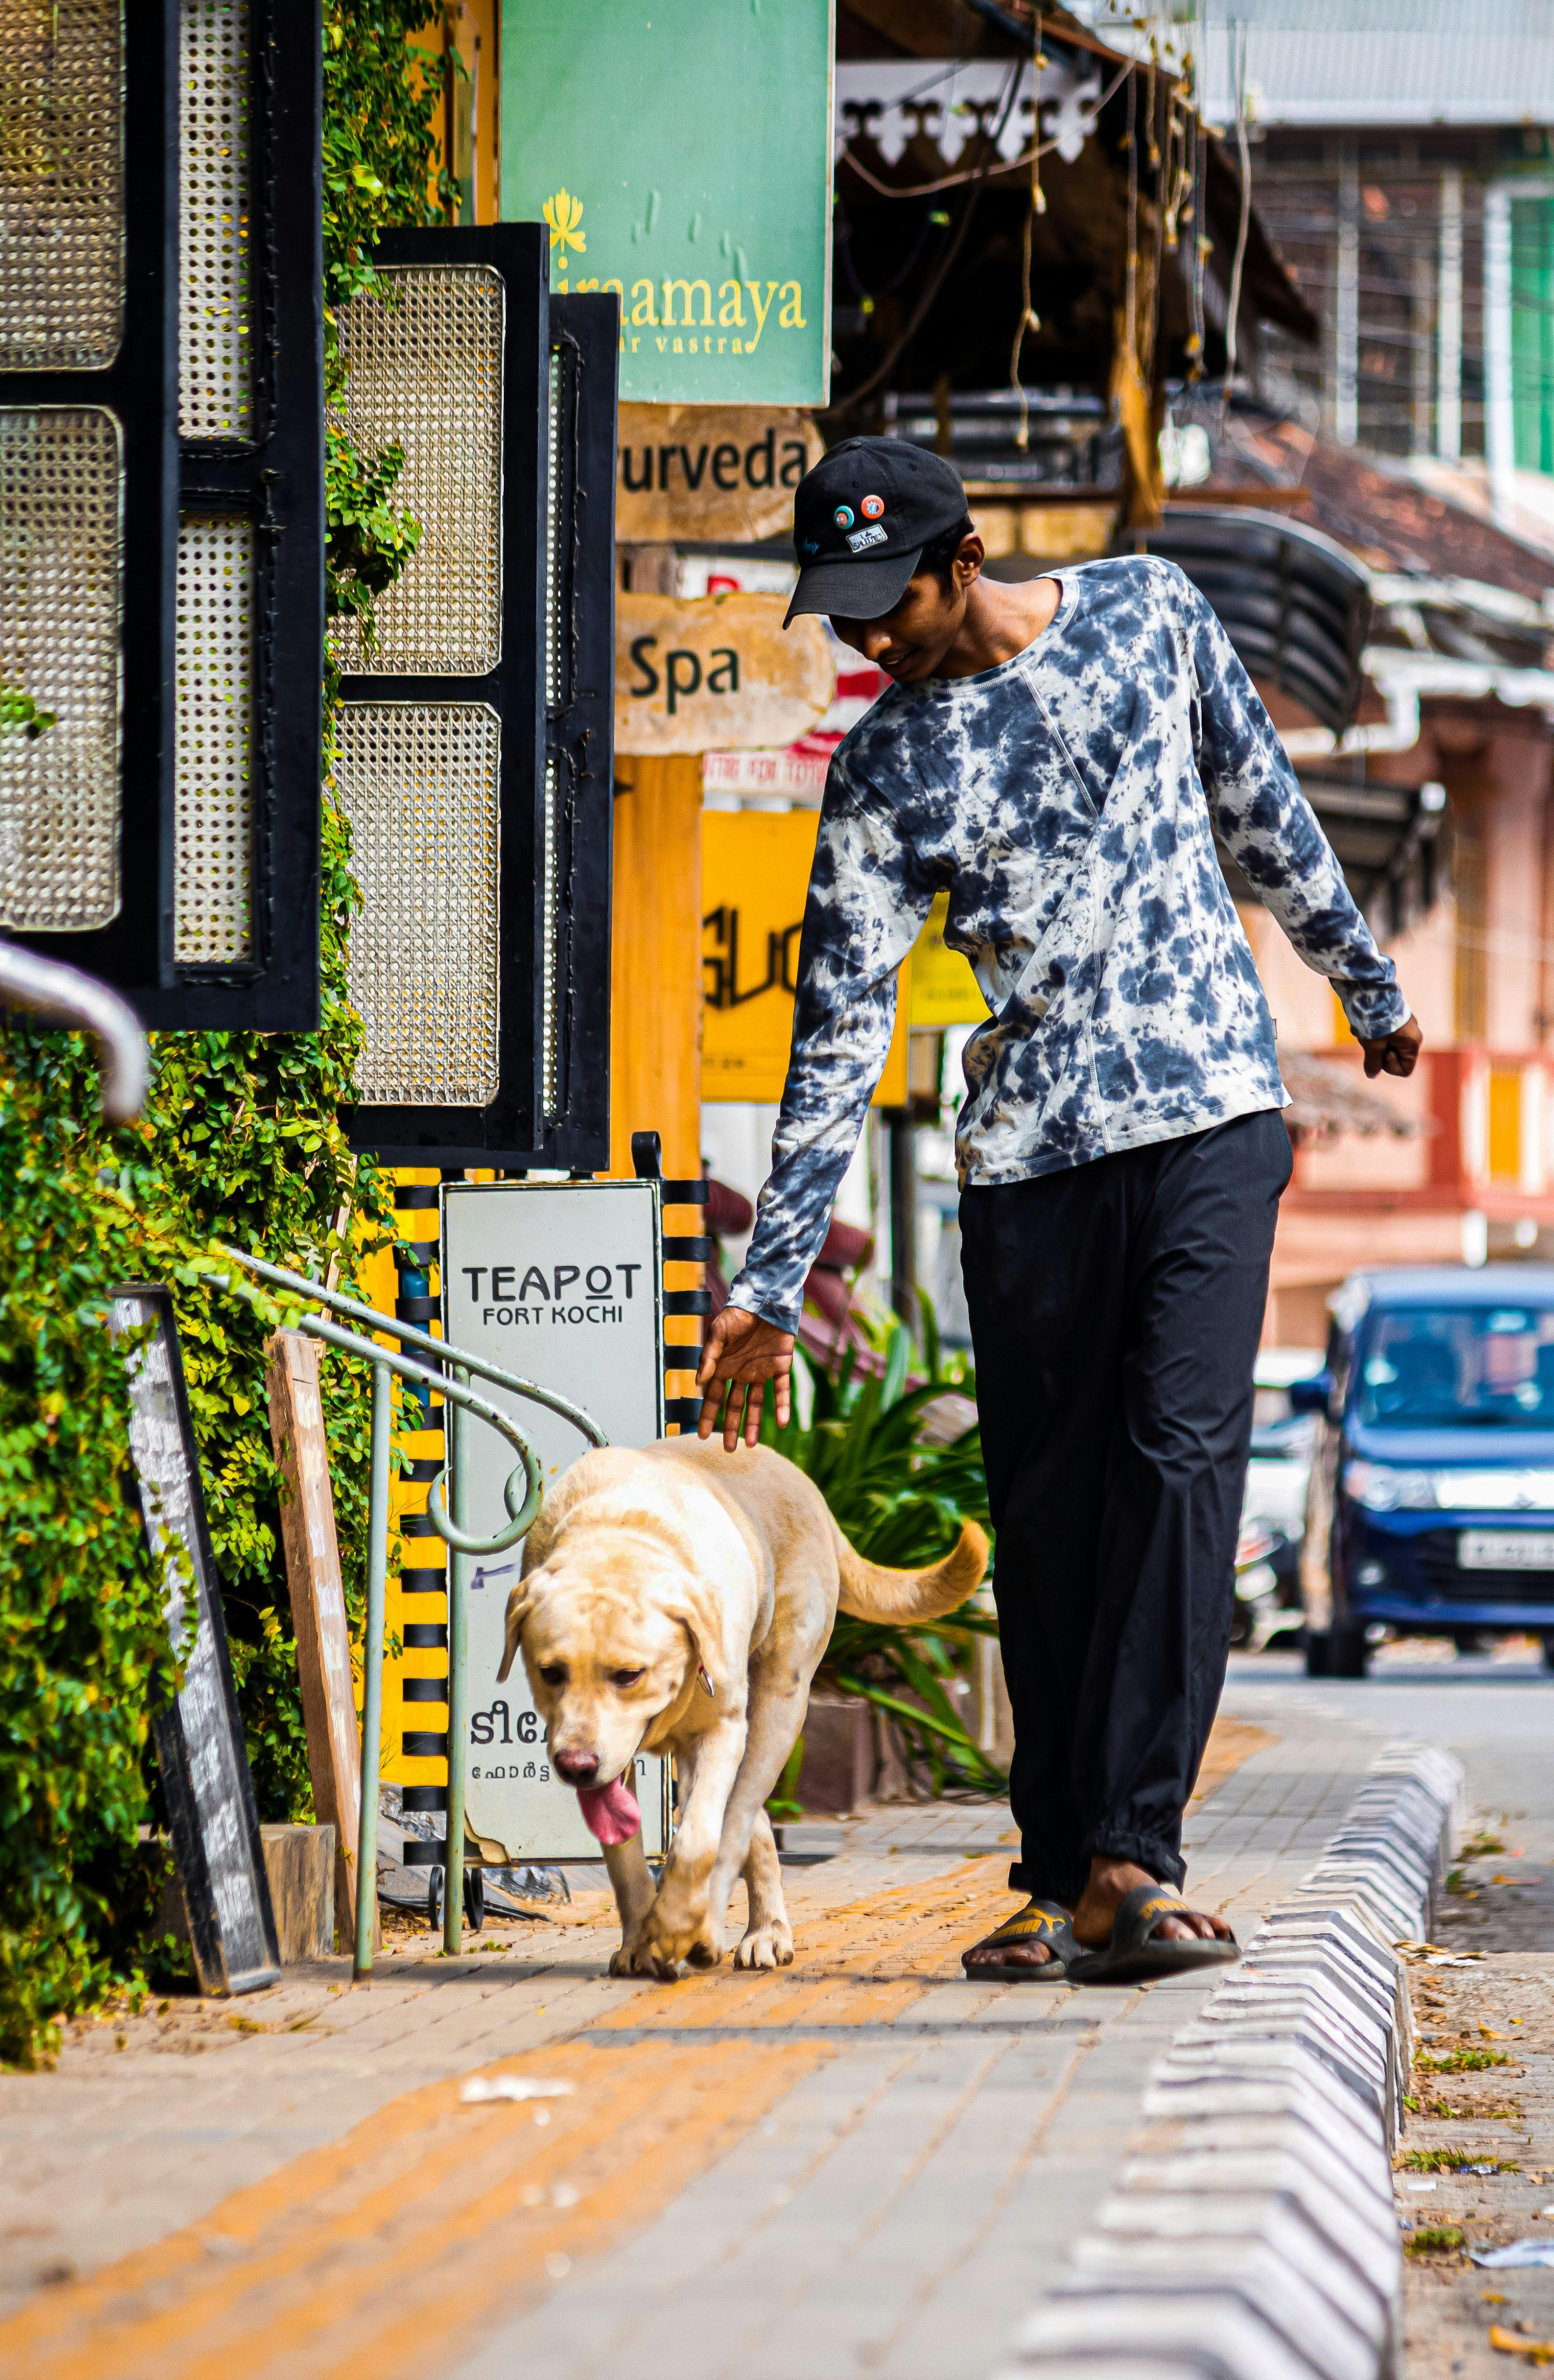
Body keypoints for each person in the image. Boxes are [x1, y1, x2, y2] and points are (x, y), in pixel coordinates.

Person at [695, 437, 1421, 1982]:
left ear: (964, 561)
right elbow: (838, 1033)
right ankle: (1054, 1864)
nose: (867, 637)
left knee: (1178, 1460)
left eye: (889, 602)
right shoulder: (884, 767)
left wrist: (1362, 980)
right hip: (1028, 1159)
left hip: (1212, 1109)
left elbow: (1262, 802)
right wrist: (765, 1288)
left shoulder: (1151, 612)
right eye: (842, 611)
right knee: (1050, 1507)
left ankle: (1131, 1856)